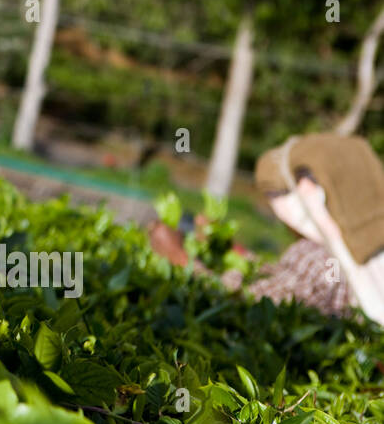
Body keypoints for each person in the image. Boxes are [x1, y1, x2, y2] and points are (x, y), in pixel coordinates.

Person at [148, 132, 384, 325]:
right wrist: (230, 247)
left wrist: (176, 255)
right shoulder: (363, 255)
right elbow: (281, 274)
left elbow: (252, 307)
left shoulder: (323, 257)